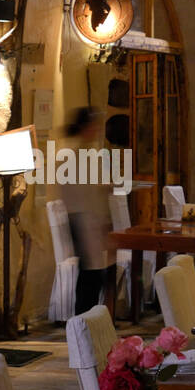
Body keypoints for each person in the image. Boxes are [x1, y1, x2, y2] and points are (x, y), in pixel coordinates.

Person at [59, 107, 113, 314]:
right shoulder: (72, 155)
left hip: (87, 218)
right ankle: (83, 319)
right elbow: (80, 192)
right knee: (91, 274)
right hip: (81, 219)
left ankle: (88, 318)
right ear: (86, 127)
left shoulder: (87, 152)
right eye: (94, 126)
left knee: (94, 273)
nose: (97, 130)